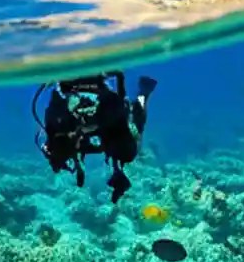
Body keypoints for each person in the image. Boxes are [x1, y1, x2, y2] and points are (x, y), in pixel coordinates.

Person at [32, 71, 156, 203]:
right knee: (127, 142)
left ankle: (142, 97)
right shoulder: (64, 123)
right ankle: (142, 96)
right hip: (104, 113)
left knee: (128, 141)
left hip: (109, 117)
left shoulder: (66, 120)